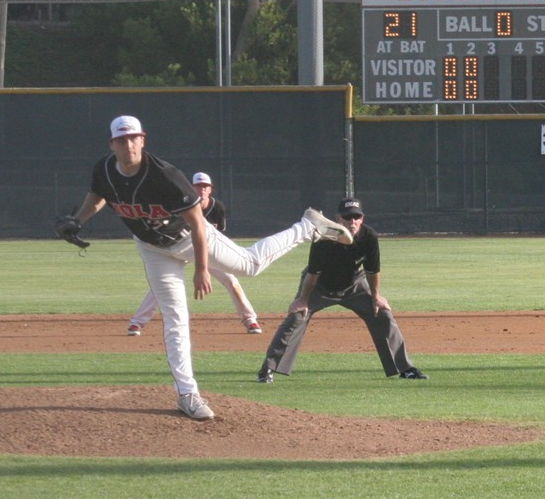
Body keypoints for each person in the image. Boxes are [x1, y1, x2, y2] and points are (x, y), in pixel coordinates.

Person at [57, 115, 353, 421]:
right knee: (175, 319)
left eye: (134, 138)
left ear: (143, 140)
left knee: (251, 265)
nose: (128, 144)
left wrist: (201, 268)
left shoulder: (164, 176)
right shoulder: (105, 170)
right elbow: (98, 195)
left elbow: (198, 223)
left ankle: (307, 226)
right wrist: (78, 219)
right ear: (112, 144)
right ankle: (187, 394)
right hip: (153, 249)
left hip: (189, 238)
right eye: (122, 140)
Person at [256, 197, 426, 383]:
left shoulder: (369, 236)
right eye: (347, 217)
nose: (352, 221)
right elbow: (313, 273)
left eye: (356, 217)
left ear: (362, 218)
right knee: (297, 316)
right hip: (319, 285)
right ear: (338, 219)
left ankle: (405, 369)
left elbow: (372, 270)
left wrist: (375, 296)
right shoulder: (324, 238)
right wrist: (303, 300)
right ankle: (268, 369)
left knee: (382, 314)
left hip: (354, 284)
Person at [127, 172, 262, 337]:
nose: (202, 189)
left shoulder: (217, 207)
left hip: (205, 250)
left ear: (210, 189)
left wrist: (208, 263)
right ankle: (137, 322)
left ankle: (250, 319)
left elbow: (219, 236)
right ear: (192, 188)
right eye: (198, 186)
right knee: (163, 284)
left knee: (231, 281)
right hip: (180, 248)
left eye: (205, 186)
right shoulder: (183, 203)